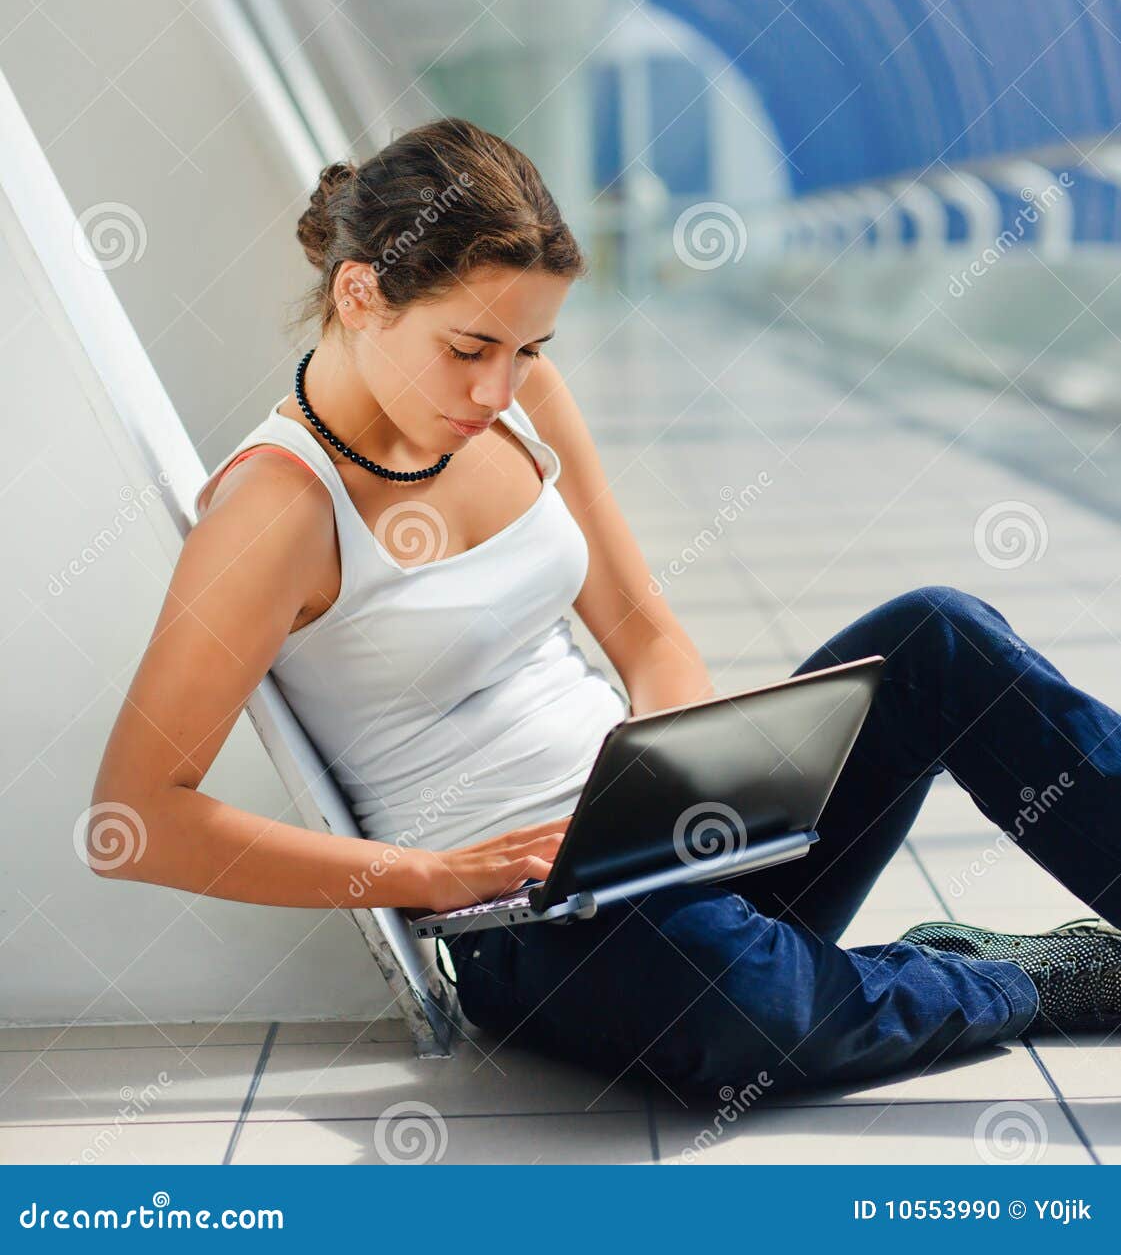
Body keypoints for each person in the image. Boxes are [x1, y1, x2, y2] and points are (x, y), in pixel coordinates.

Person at [90, 116, 1121, 1107]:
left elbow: (650, 637)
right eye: (469, 347)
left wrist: (672, 781)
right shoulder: (276, 509)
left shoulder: (520, 407)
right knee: (743, 1011)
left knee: (938, 636)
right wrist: (430, 874)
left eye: (529, 348)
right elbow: (135, 821)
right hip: (532, 930)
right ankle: (1022, 977)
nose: (499, 386)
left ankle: (820, 961)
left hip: (665, 835)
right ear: (360, 296)